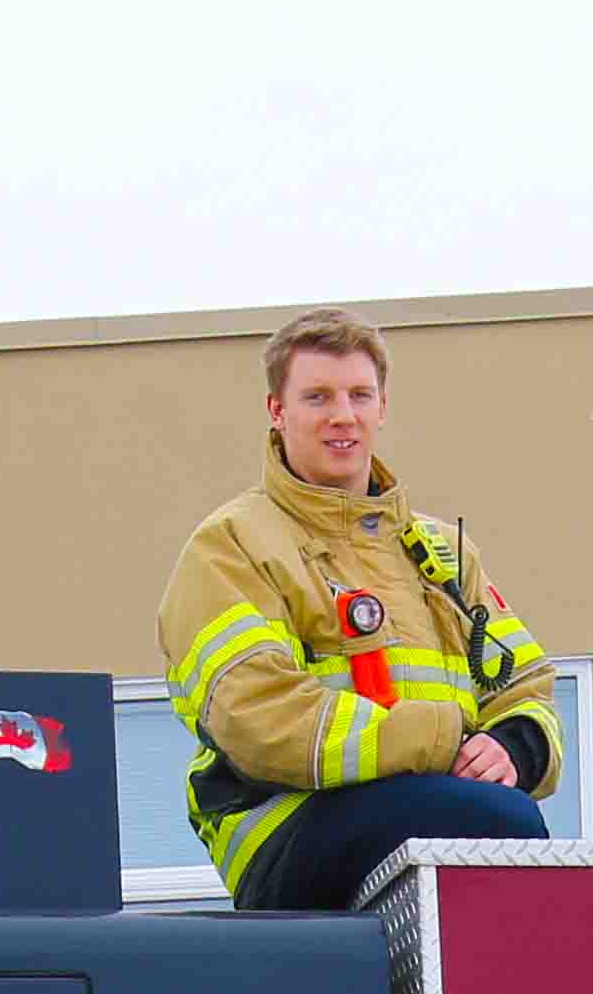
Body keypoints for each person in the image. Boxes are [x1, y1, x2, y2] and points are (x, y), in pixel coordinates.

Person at [157, 309, 558, 913]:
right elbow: (260, 720)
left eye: (358, 395)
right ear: (276, 411)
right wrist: (442, 742)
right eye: (316, 397)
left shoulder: (443, 550)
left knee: (505, 821)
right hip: (290, 827)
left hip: (434, 807)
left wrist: (511, 747)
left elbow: (525, 683)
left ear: (382, 407)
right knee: (501, 822)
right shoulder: (231, 545)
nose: (341, 416)